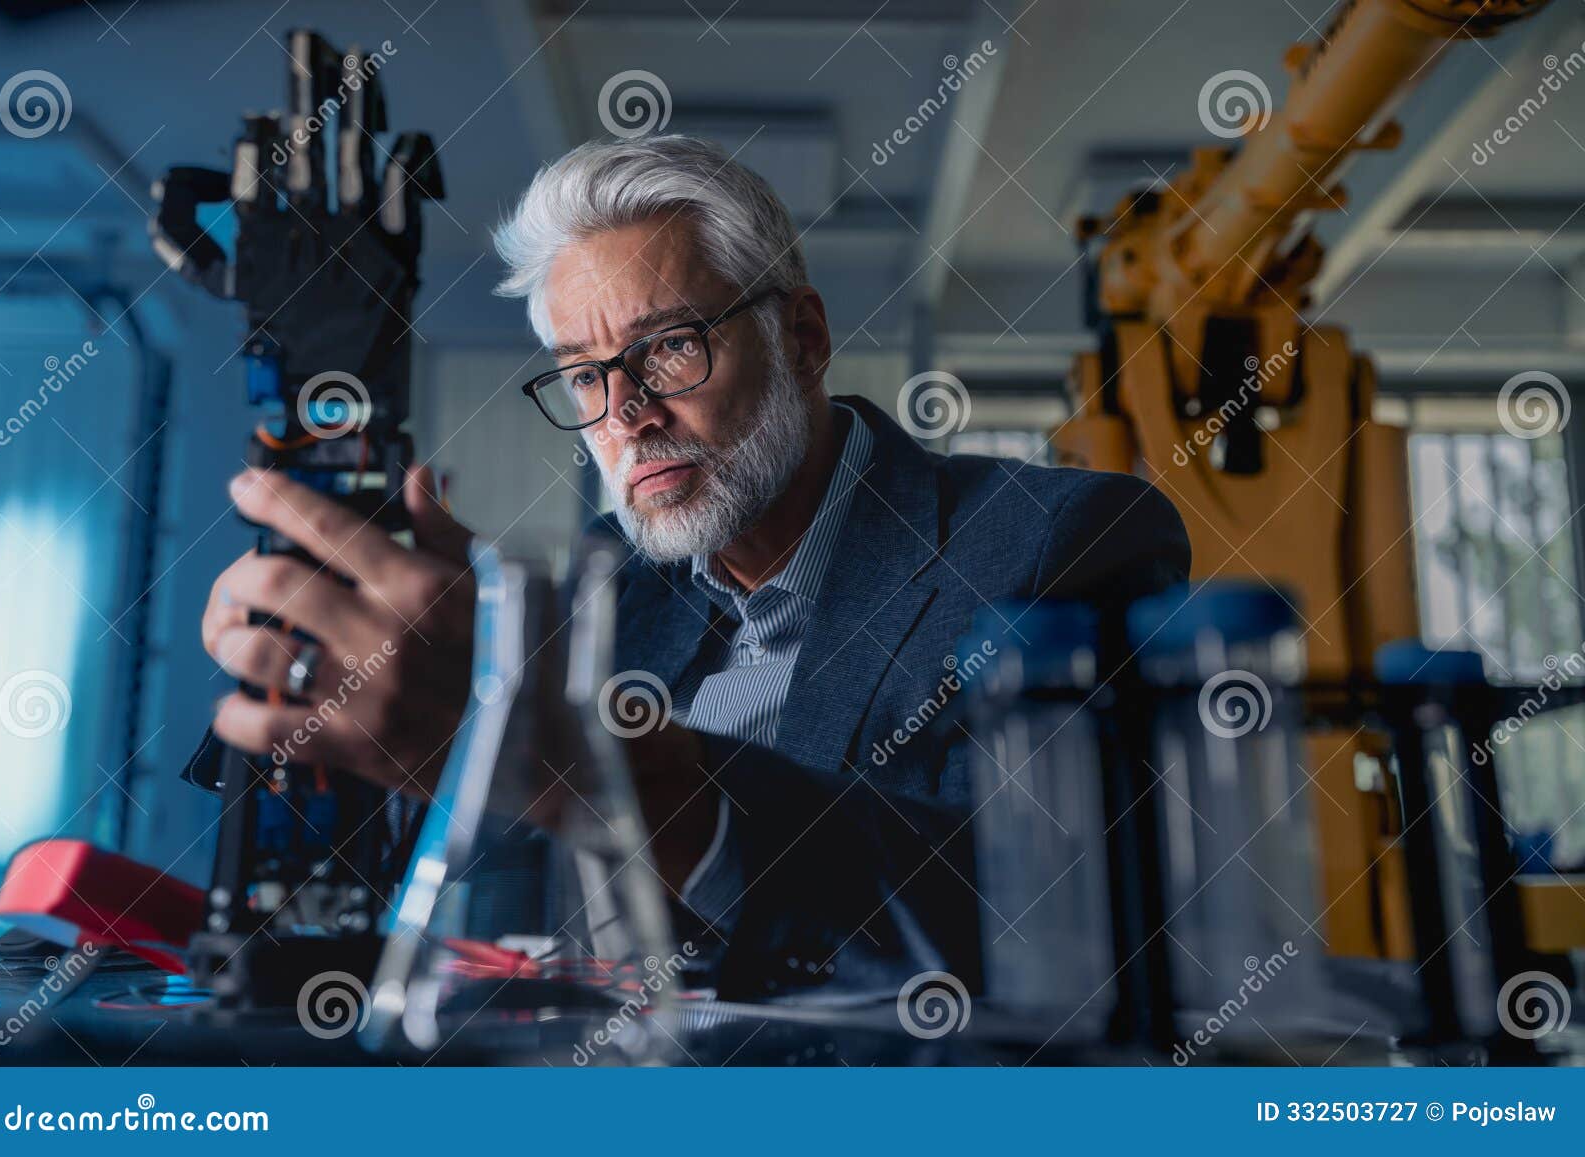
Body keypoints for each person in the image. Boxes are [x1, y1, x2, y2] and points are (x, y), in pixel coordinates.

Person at [192, 135, 1190, 999]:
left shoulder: (1062, 541)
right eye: (585, 375)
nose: (626, 414)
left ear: (800, 338)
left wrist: (604, 763)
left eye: (666, 348)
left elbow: (1064, 920)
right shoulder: (606, 599)